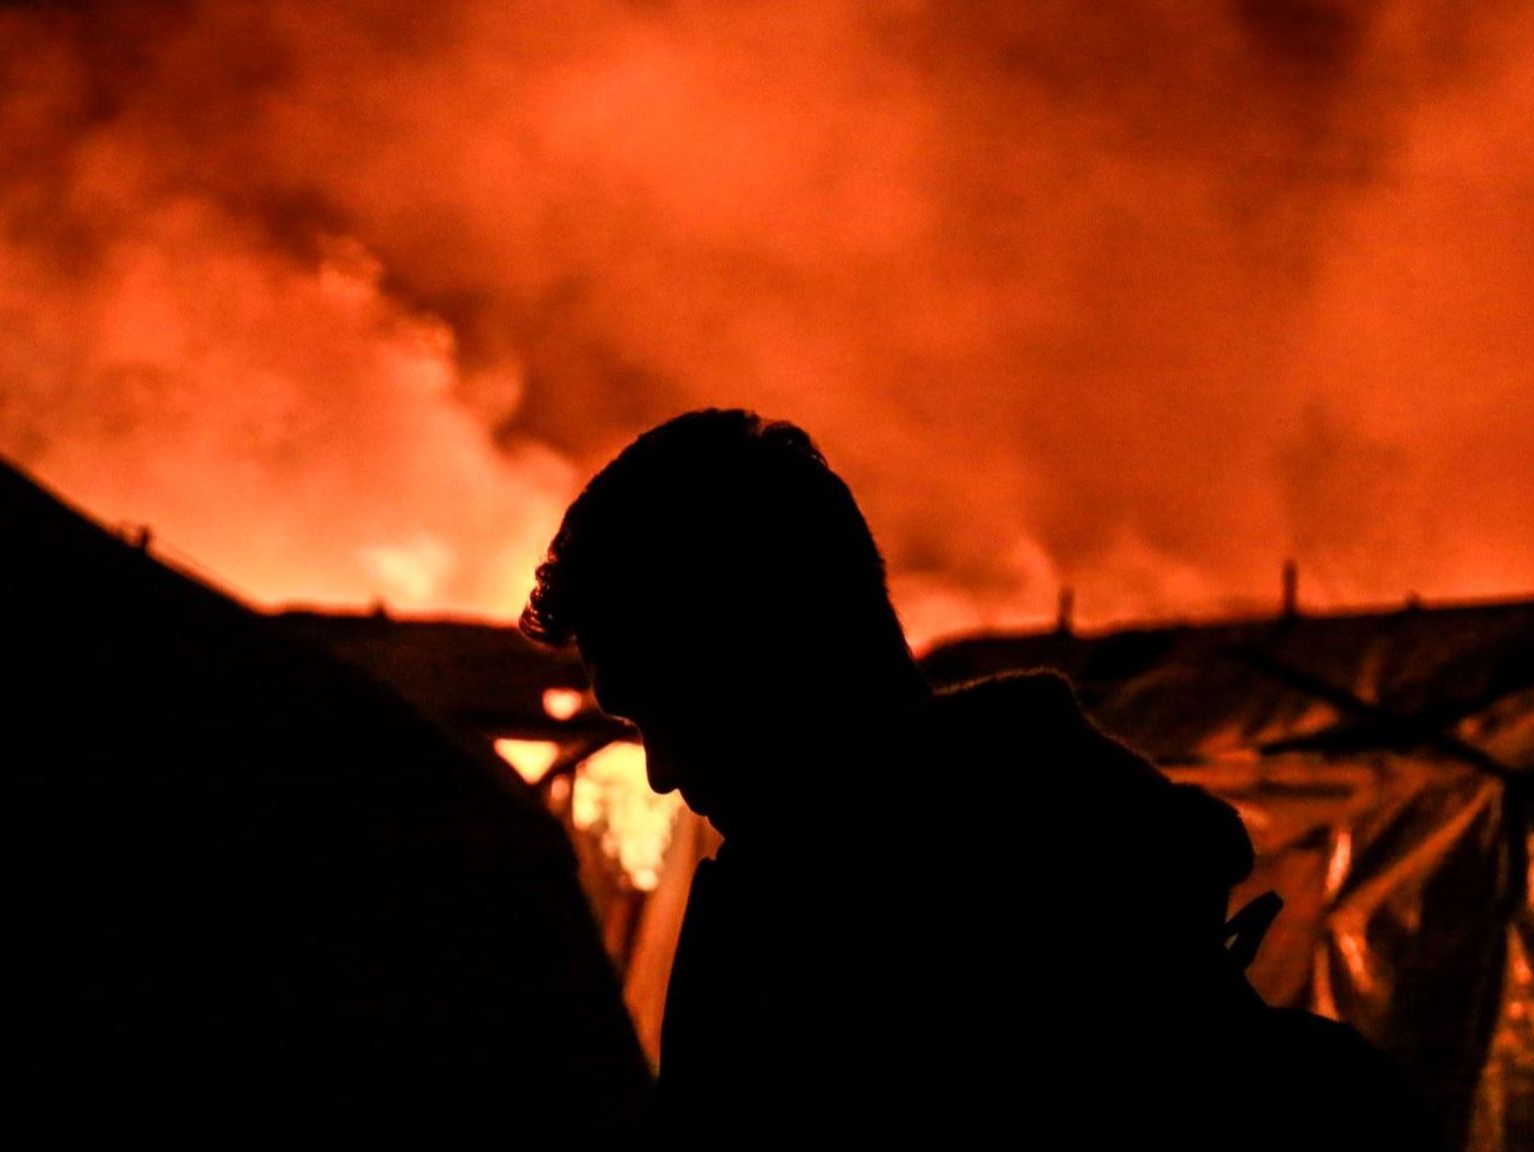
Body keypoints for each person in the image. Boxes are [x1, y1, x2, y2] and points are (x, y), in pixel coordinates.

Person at [521, 409, 1426, 1147]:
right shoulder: (1075, 875)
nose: (668, 771)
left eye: (663, 711)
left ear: (765, 651)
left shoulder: (876, 927)